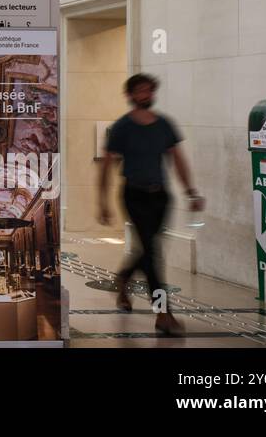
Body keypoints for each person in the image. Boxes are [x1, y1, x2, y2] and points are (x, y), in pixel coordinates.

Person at [97, 73, 203, 337]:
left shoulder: (165, 125)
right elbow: (107, 165)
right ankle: (163, 313)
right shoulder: (122, 127)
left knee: (149, 249)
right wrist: (102, 203)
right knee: (153, 253)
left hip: (161, 196)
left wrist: (191, 191)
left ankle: (124, 277)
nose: (145, 95)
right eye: (140, 91)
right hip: (134, 195)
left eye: (149, 91)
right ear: (131, 95)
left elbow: (177, 159)